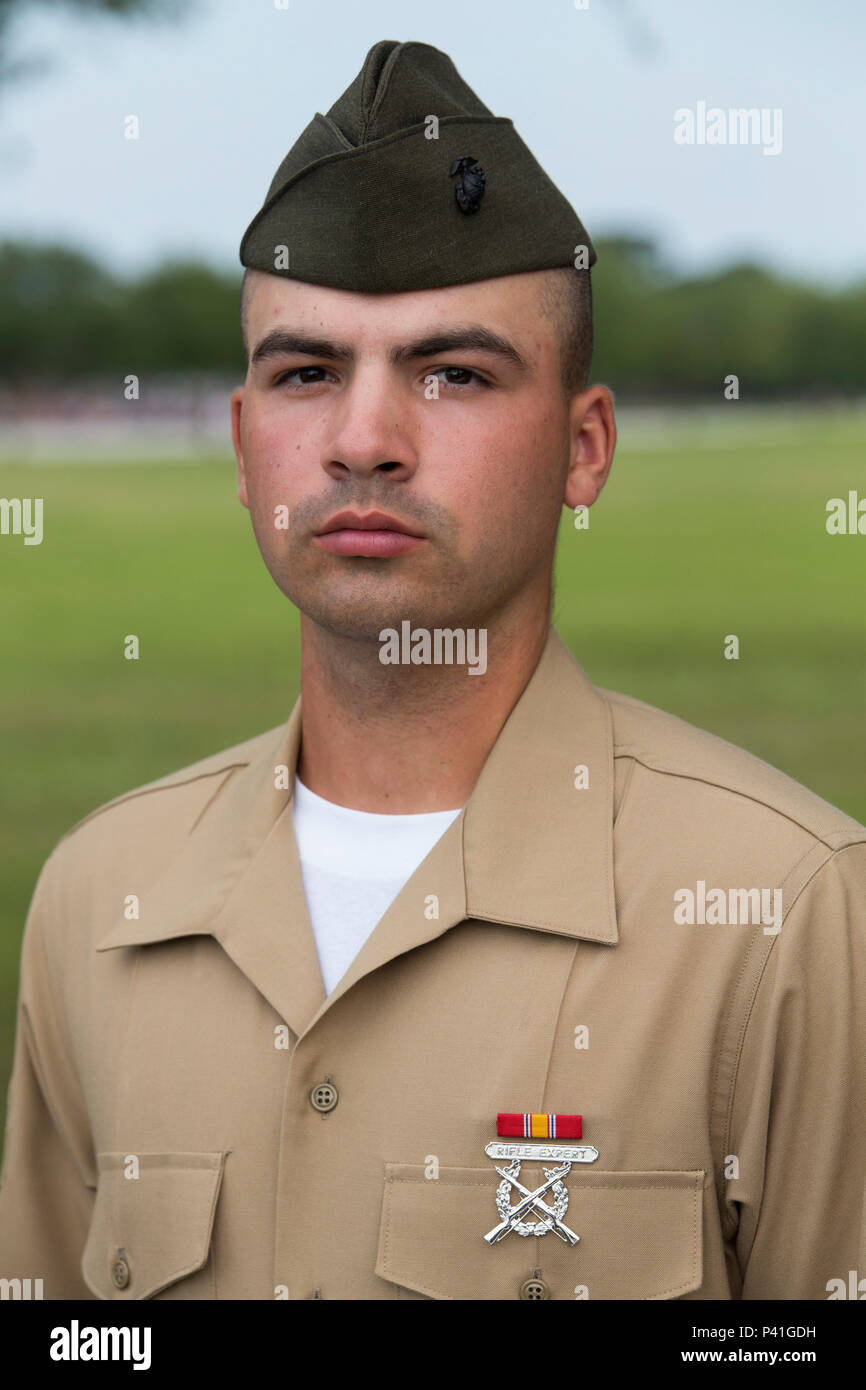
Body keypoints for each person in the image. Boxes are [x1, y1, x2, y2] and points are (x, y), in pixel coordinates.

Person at [1, 38, 864, 1303]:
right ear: (245, 447)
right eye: (305, 373)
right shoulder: (99, 901)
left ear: (584, 448)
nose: (362, 441)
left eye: (451, 373)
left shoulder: (785, 915)